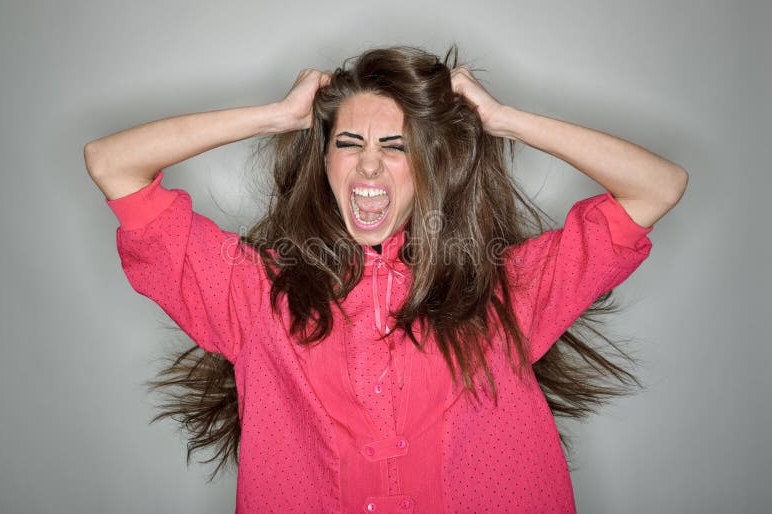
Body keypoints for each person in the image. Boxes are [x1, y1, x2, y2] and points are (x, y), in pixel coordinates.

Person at [84, 45, 687, 513]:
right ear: (324, 163)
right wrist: (278, 116)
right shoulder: (252, 295)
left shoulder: (508, 292)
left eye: (397, 146)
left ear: (432, 167)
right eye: (349, 143)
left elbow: (657, 186)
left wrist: (502, 121)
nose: (369, 164)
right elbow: (113, 163)